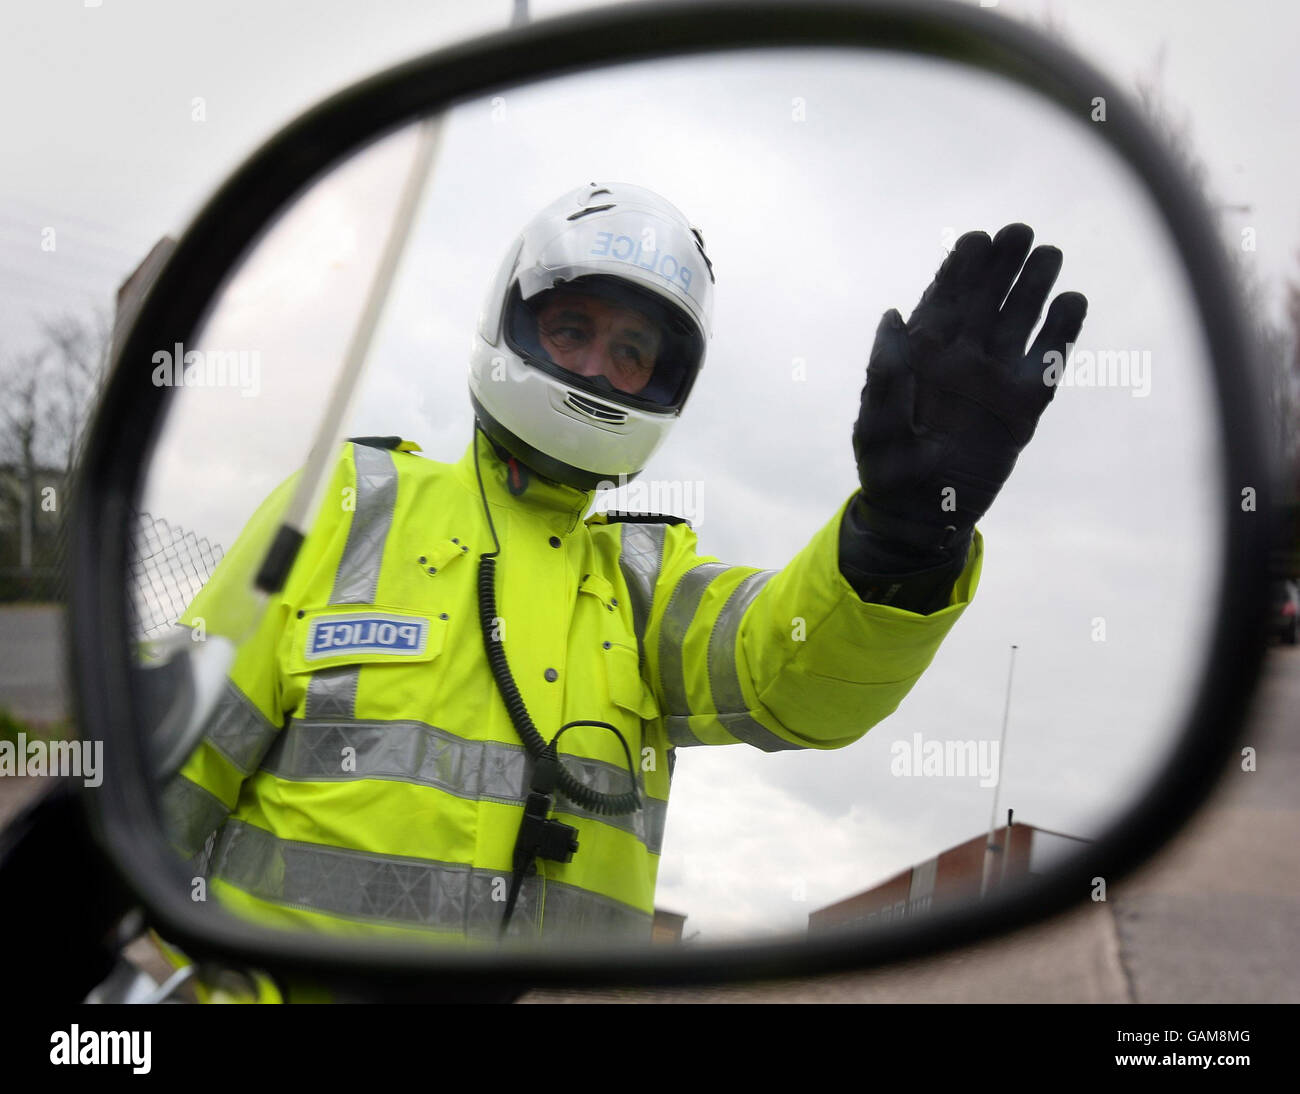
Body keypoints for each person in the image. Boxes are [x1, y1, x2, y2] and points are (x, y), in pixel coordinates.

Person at [159, 181, 1086, 958]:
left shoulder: (649, 582)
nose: (601, 368)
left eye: (634, 352)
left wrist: (904, 537)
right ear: (513, 322)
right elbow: (162, 788)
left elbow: (796, 680)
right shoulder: (348, 501)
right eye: (572, 328)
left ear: (664, 383)